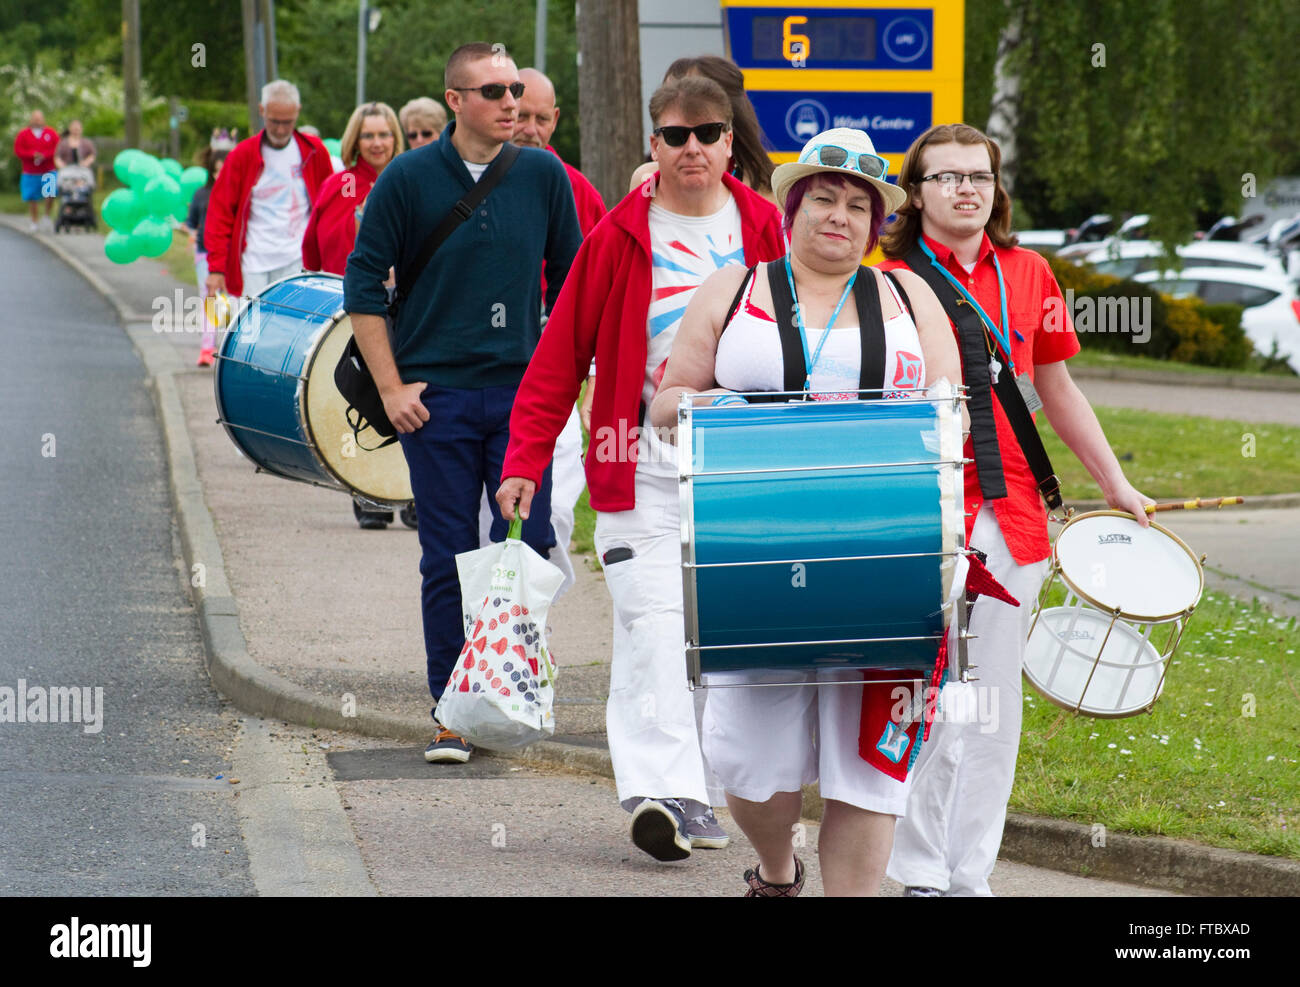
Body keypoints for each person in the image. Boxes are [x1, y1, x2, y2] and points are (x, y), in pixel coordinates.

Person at [647, 127, 965, 896]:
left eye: (860, 205)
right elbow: (664, 401)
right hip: (755, 555)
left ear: (877, 221)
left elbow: (951, 407)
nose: (841, 216)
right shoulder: (735, 287)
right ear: (792, 207)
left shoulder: (907, 292)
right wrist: (715, 405)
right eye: (824, 197)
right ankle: (776, 866)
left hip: (886, 560)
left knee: (870, 772)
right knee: (755, 771)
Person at [496, 75, 785, 862]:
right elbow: (559, 359)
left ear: (731, 143)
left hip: (740, 472)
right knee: (653, 620)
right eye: (674, 134)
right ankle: (670, 795)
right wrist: (526, 459)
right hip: (639, 466)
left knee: (709, 635)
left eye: (707, 133)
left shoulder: (768, 230)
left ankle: (686, 779)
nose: (691, 147)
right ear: (652, 145)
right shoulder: (620, 236)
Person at [878, 123, 1153, 897]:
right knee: (927, 693)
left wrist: (1114, 481)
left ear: (996, 191)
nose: (967, 189)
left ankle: (970, 873)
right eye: (947, 177)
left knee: (992, 703)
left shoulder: (1030, 273)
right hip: (921, 509)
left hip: (1015, 512)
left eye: (980, 176)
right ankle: (918, 868)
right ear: (916, 191)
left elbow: (1059, 389)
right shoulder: (888, 278)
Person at [343, 43, 582, 764]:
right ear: (455, 100)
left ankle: (513, 690)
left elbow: (573, 283)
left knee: (526, 547)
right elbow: (361, 286)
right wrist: (391, 387)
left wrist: (567, 384)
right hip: (435, 401)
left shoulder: (542, 174)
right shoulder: (408, 179)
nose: (512, 103)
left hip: (521, 400)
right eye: (494, 92)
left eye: (515, 90)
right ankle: (452, 710)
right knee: (446, 555)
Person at [507, 66, 606, 596]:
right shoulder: (479, 182)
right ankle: (493, 633)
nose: (530, 129)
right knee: (492, 517)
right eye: (521, 116)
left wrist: (592, 375)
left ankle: (529, 624)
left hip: (560, 370)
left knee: (557, 509)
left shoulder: (578, 190)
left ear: (556, 120)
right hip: (493, 368)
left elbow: (601, 289)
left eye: (541, 119)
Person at [301, 102, 406, 530]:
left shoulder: (409, 179)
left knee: (417, 400)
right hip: (359, 309)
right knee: (364, 397)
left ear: (394, 137)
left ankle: (415, 495)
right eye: (368, 135)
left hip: (410, 308)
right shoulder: (340, 185)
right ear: (355, 141)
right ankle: (369, 495)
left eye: (383, 134)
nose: (377, 143)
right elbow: (315, 246)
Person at [203, 80, 333, 301]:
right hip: (253, 263)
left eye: (288, 122)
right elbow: (220, 214)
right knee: (250, 331)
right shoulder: (242, 155)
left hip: (298, 261)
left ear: (298, 112)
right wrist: (216, 268)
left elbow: (328, 206)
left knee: (293, 328)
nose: (281, 129)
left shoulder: (314, 151)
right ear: (262, 110)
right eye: (274, 121)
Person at [628, 54, 774, 202]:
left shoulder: (766, 190)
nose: (674, 103)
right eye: (667, 95)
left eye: (690, 99)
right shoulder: (648, 180)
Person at [183, 140, 230, 366]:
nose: (220, 175)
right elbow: (190, 222)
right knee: (208, 299)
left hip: (233, 255)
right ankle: (207, 347)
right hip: (205, 253)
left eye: (225, 170)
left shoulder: (237, 194)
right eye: (216, 170)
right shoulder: (201, 194)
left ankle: (230, 348)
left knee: (234, 300)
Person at [14, 110, 60, 232]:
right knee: (32, 197)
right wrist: (32, 155)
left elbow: (57, 148)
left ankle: (46, 216)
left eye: (39, 118)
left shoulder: (50, 133)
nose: (37, 121)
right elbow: (18, 150)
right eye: (35, 118)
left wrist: (45, 155)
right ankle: (34, 220)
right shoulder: (24, 134)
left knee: (50, 193)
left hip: (48, 169)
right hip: (30, 171)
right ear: (31, 119)